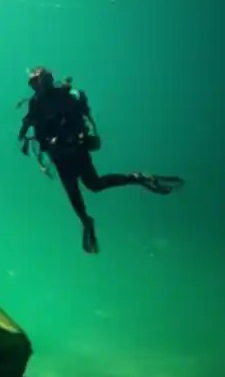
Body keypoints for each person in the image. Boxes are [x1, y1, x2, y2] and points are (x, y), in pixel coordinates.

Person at [18, 66, 183, 254]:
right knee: (81, 191)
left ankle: (136, 179)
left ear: (46, 79)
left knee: (91, 185)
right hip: (61, 156)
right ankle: (89, 219)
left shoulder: (62, 96)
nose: (36, 84)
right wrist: (31, 135)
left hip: (74, 150)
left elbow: (79, 119)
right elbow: (33, 127)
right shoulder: (37, 103)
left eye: (38, 80)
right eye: (33, 82)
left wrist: (71, 136)